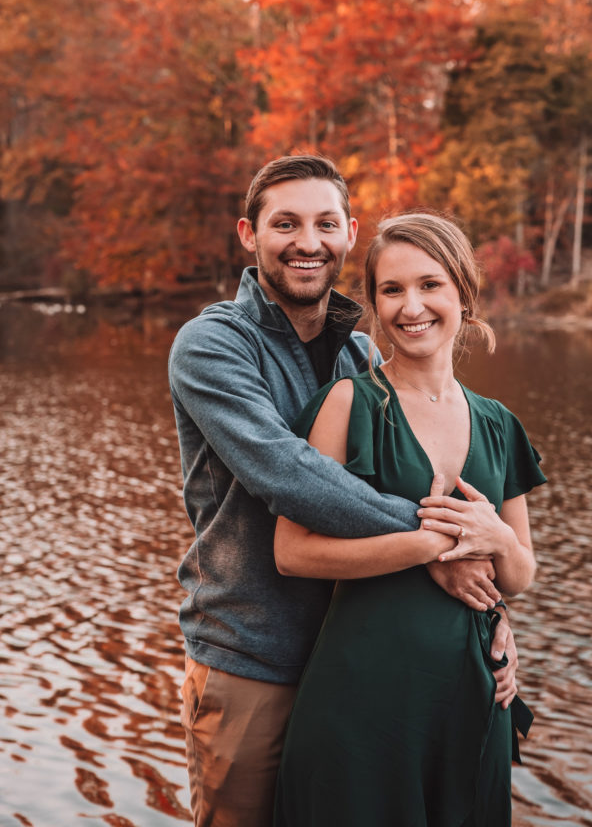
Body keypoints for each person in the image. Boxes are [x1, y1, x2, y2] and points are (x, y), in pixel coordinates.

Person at [168, 156, 520, 827]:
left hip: (359, 664)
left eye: (324, 223)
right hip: (252, 658)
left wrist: (492, 614)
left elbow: (465, 500)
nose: (307, 242)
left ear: (349, 233)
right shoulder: (212, 346)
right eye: (285, 224)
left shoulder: (360, 359)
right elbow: (290, 476)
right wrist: (446, 541)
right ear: (249, 233)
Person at [272, 211, 546, 827]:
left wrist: (496, 537)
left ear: (463, 294)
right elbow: (294, 552)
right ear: (371, 303)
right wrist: (429, 546)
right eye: (391, 290)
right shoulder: (350, 404)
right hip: (362, 702)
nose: (410, 306)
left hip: (472, 697)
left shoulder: (500, 424)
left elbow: (520, 573)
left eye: (430, 285)